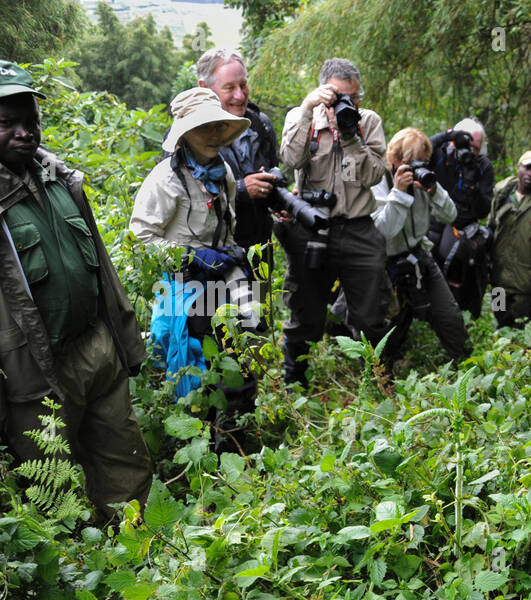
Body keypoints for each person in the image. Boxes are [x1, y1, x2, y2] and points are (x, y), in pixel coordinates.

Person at [0, 60, 152, 523]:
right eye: (8, 124)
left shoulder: (60, 180)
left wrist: (124, 341)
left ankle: (136, 557)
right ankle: (79, 577)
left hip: (96, 348)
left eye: (31, 122)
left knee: (124, 459)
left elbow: (102, 270)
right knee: (54, 489)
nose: (25, 133)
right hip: (33, 371)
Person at [131, 87, 258, 452]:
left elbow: (227, 224)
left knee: (241, 357)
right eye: (205, 128)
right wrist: (189, 255)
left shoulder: (224, 173)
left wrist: (232, 255)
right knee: (195, 369)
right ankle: (198, 455)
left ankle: (236, 448)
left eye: (218, 126)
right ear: (185, 133)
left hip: (225, 281)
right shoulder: (165, 180)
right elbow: (139, 237)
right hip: (186, 288)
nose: (214, 135)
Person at [278, 58, 387, 386]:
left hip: (358, 227)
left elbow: (373, 175)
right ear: (324, 91)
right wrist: (308, 108)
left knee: (370, 314)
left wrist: (350, 135)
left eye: (355, 96)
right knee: (306, 314)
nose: (349, 103)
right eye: (340, 97)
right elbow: (290, 160)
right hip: (314, 228)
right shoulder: (302, 118)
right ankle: (295, 382)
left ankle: (375, 377)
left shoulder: (369, 122)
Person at [370, 127, 467, 362]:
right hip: (386, 263)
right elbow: (385, 231)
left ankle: (465, 364)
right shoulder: (378, 180)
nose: (418, 168)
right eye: (412, 162)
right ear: (395, 159)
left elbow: (450, 215)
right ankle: (382, 378)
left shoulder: (423, 179)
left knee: (450, 316)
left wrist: (434, 192)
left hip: (418, 256)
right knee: (388, 326)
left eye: (423, 162)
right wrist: (399, 192)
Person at [193, 48, 278, 304]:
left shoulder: (260, 124)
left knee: (257, 328)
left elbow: (269, 170)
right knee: (219, 334)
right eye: (229, 88)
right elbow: (186, 199)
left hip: (258, 252)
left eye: (243, 85)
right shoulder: (189, 133)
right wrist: (241, 189)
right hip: (211, 258)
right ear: (204, 88)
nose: (240, 95)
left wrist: (276, 199)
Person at [427, 118, 493, 316]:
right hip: (435, 225)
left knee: (474, 273)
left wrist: (473, 187)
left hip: (466, 230)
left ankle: (471, 317)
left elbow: (483, 211)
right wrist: (445, 136)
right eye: (467, 146)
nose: (470, 153)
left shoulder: (482, 165)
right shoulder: (440, 154)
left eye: (476, 148)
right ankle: (435, 313)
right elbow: (412, 154)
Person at [487, 150, 531, 328]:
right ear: (519, 168)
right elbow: (490, 228)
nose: (530, 173)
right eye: (527, 168)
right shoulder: (501, 196)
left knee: (521, 330)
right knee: (501, 326)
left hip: (526, 286)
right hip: (498, 283)